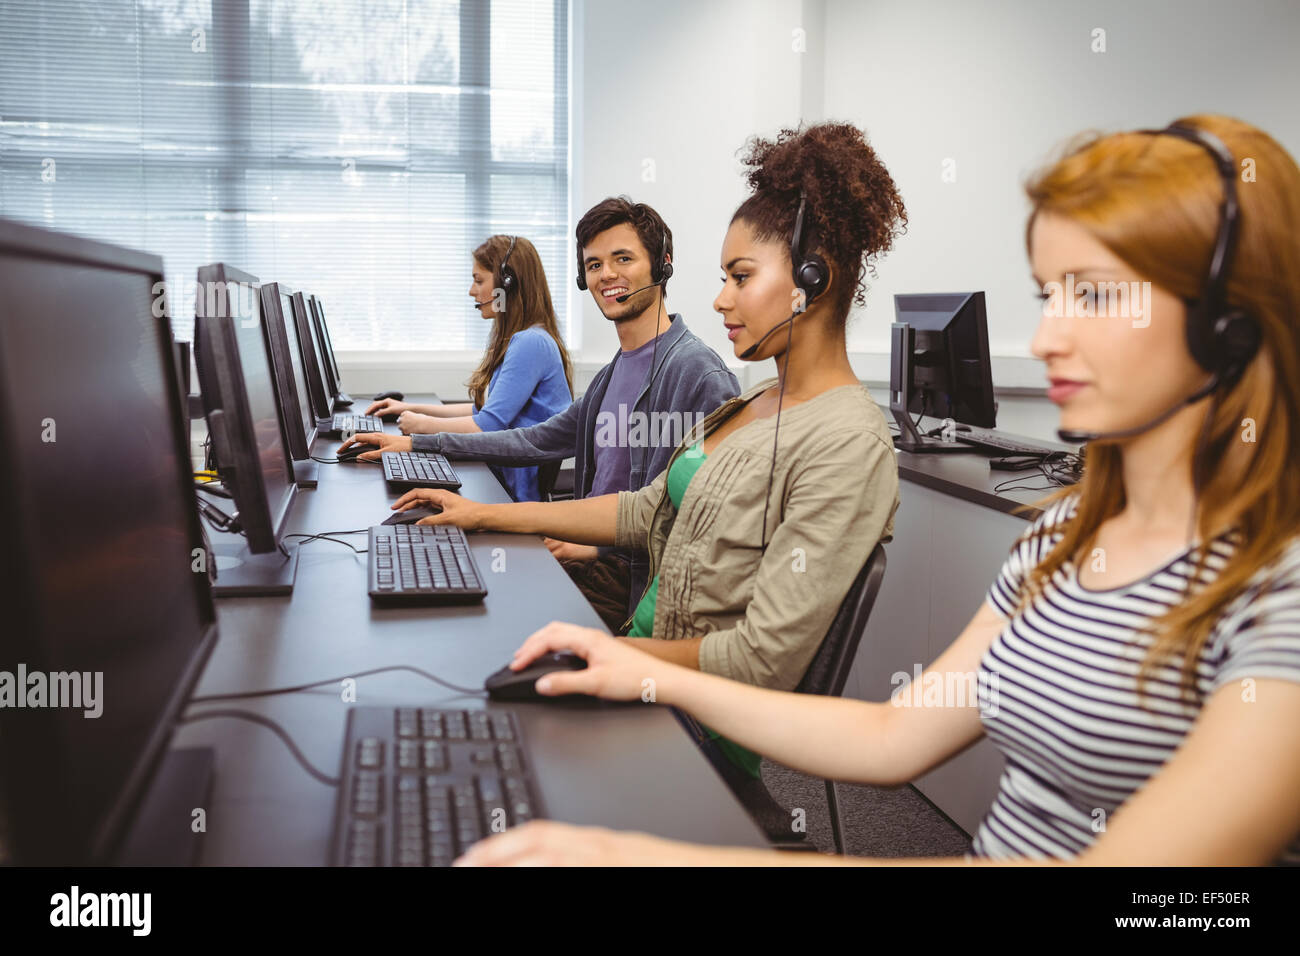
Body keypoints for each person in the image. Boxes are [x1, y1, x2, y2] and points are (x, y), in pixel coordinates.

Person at [451, 114, 1300, 866]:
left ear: (1228, 324)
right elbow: (898, 736)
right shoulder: (1068, 533)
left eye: (1095, 295)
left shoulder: (1279, 597)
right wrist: (630, 669)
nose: (1045, 336)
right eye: (1048, 294)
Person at [389, 122, 906, 779]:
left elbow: (759, 660)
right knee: (453, 687)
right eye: (722, 276)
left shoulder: (846, 444)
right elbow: (640, 511)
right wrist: (481, 516)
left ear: (813, 277)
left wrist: (602, 655)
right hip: (636, 659)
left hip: (690, 726)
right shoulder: (748, 408)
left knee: (479, 735)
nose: (719, 298)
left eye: (741, 276)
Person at [341, 199, 740, 629]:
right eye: (593, 264)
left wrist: (599, 547)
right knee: (450, 579)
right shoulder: (613, 374)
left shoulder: (699, 375)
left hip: (630, 581)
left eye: (622, 258)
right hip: (587, 551)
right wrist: (418, 443)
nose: (606, 274)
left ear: (663, 264)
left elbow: (700, 522)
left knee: (485, 621)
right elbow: (534, 439)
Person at [360, 235, 572, 502]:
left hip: (512, 491)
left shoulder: (530, 343)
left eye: (479, 280)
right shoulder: (522, 339)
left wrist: (424, 427)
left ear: (508, 284)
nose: (472, 290)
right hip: (501, 473)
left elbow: (487, 425)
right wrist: (411, 409)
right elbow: (483, 410)